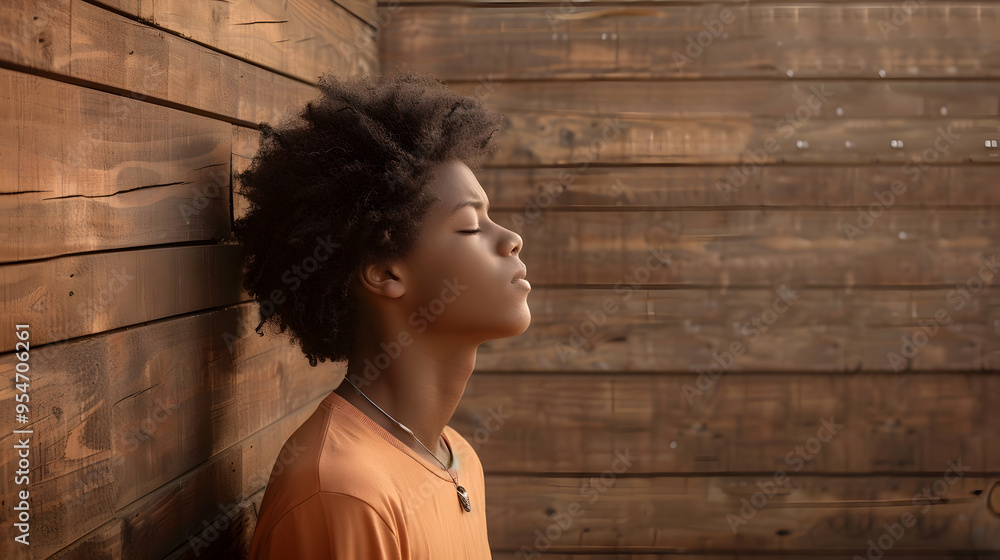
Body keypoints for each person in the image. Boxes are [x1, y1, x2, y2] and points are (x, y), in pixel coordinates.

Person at [233, 70, 531, 559]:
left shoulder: (457, 458)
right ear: (385, 273)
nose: (511, 239)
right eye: (469, 226)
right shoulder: (343, 494)